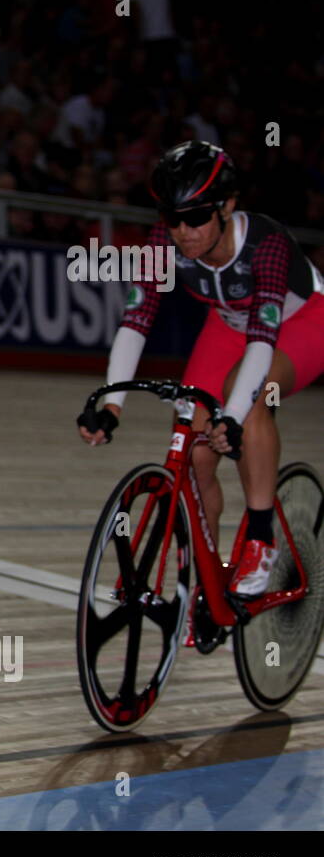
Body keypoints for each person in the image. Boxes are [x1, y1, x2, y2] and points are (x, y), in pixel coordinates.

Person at [79, 141, 324, 601]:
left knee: (245, 397)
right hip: (229, 323)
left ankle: (261, 539)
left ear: (227, 207)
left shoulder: (265, 244)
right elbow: (136, 321)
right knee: (192, 450)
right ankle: (206, 585)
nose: (183, 232)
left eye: (195, 217)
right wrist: (112, 404)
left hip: (304, 323)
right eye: (172, 218)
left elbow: (262, 342)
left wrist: (233, 416)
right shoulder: (163, 241)